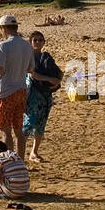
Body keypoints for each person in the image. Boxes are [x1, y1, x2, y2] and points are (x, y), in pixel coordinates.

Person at [0, 14, 32, 155]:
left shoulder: (4, 45)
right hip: (21, 90)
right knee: (18, 130)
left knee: (5, 130)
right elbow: (30, 69)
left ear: (4, 28)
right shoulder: (27, 45)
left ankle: (9, 162)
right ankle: (20, 161)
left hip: (6, 91)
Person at [22, 31, 63, 162]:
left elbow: (59, 74)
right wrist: (51, 79)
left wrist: (54, 82)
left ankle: (34, 152)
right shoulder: (28, 58)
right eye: (35, 40)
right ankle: (20, 154)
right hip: (33, 95)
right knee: (29, 123)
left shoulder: (46, 58)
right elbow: (33, 75)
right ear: (30, 42)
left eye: (40, 40)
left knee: (41, 124)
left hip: (45, 95)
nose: (38, 42)